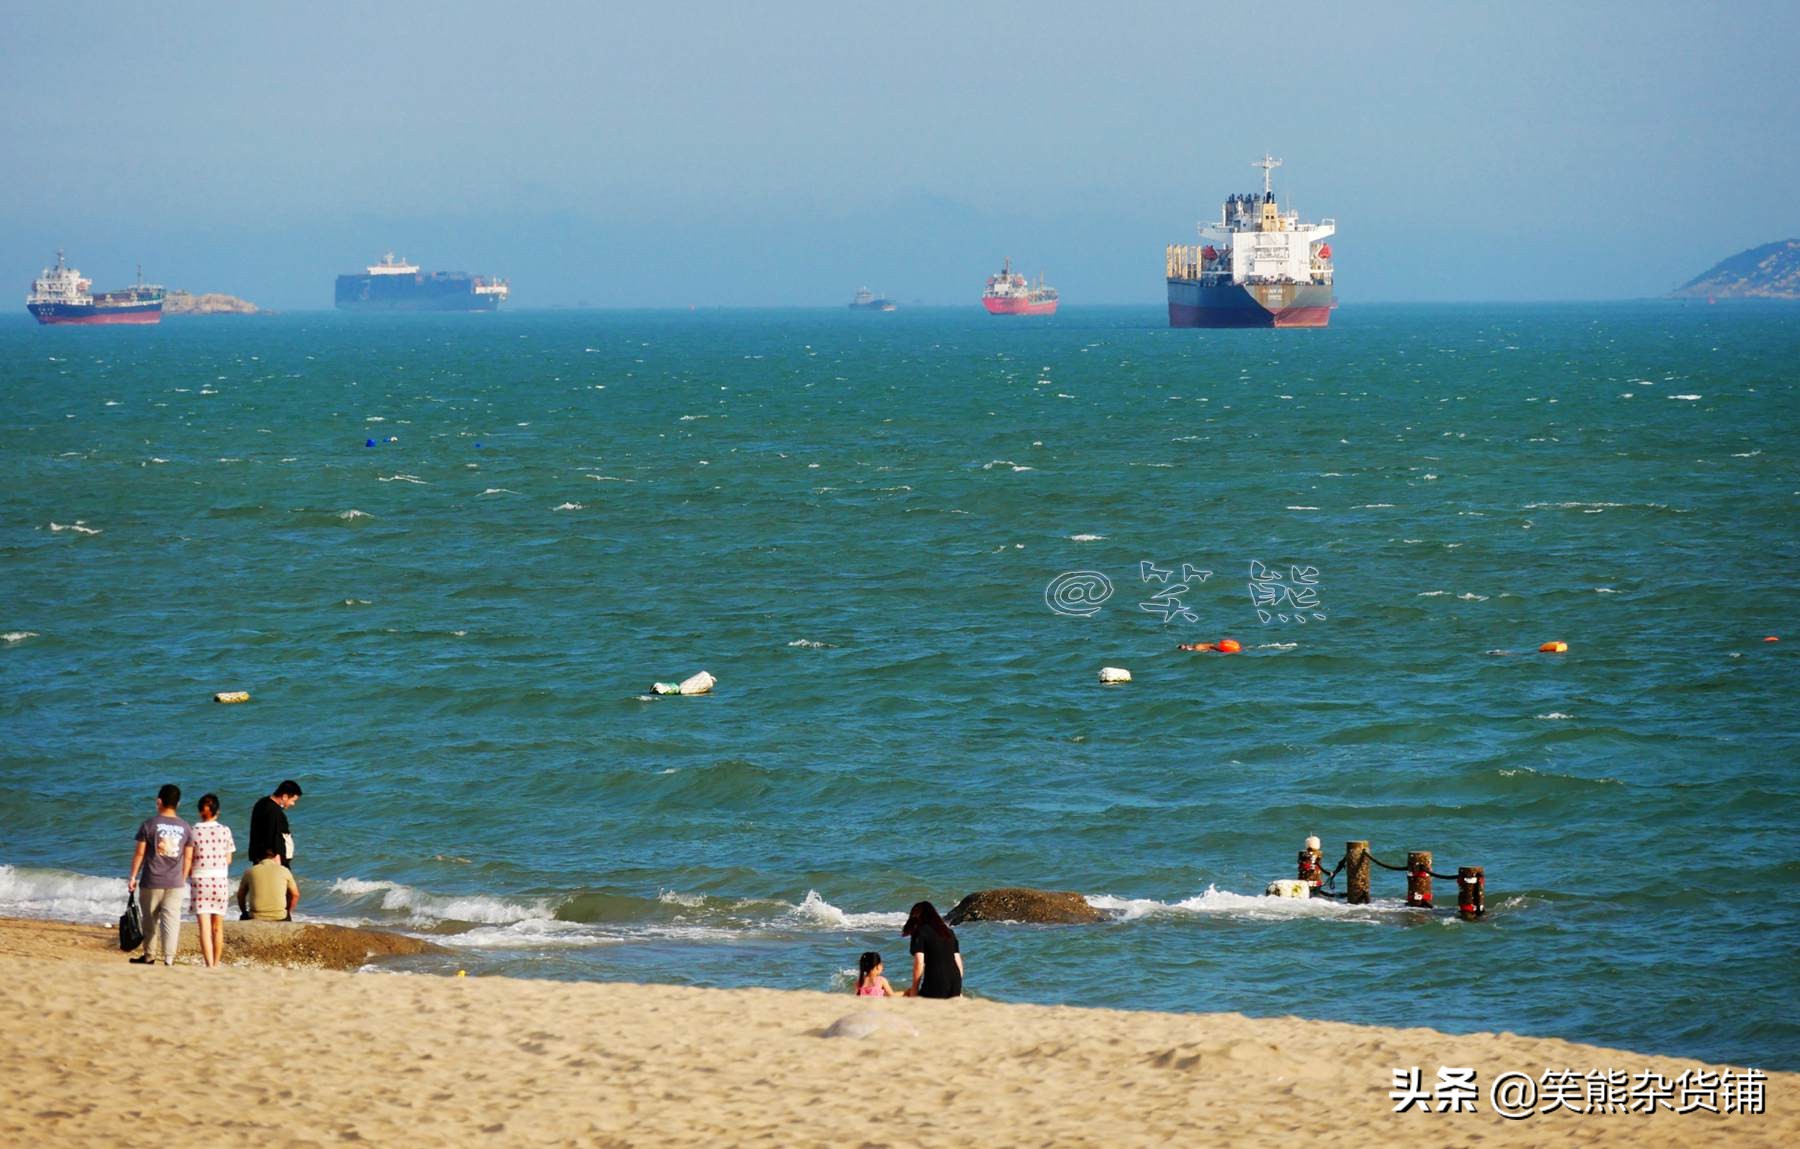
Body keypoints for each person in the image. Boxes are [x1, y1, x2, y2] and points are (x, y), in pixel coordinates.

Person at [127, 784, 194, 966]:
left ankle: (149, 956)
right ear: (178, 804)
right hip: (175, 882)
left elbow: (140, 854)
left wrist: (133, 876)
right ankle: (169, 959)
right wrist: (183, 877)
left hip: (152, 880)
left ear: (159, 802)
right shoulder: (186, 827)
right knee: (171, 921)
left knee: (149, 920)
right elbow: (188, 857)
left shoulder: (149, 825)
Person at [188, 793, 235, 968]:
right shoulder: (225, 830)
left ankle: (209, 965)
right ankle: (216, 963)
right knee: (218, 927)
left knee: (205, 929)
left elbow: (189, 858)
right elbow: (228, 859)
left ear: (200, 811)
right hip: (219, 881)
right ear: (218, 811)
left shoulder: (193, 831)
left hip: (200, 880)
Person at [901, 901, 963, 999]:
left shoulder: (920, 931)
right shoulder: (949, 932)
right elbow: (958, 962)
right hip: (955, 982)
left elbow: (919, 962)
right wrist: (958, 989)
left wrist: (914, 989)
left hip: (936, 982)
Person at [248, 779, 302, 872]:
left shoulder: (262, 803)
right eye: (293, 800)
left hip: (260, 858)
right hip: (273, 862)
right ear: (285, 796)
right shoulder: (274, 812)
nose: (293, 804)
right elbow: (274, 837)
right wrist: (278, 859)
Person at [236, 845, 300, 921]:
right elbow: (295, 895)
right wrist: (288, 911)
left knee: (243, 917)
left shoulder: (250, 871)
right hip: (279, 916)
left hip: (255, 916)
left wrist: (244, 912)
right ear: (276, 856)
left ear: (258, 858)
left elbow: (240, 895)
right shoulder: (285, 871)